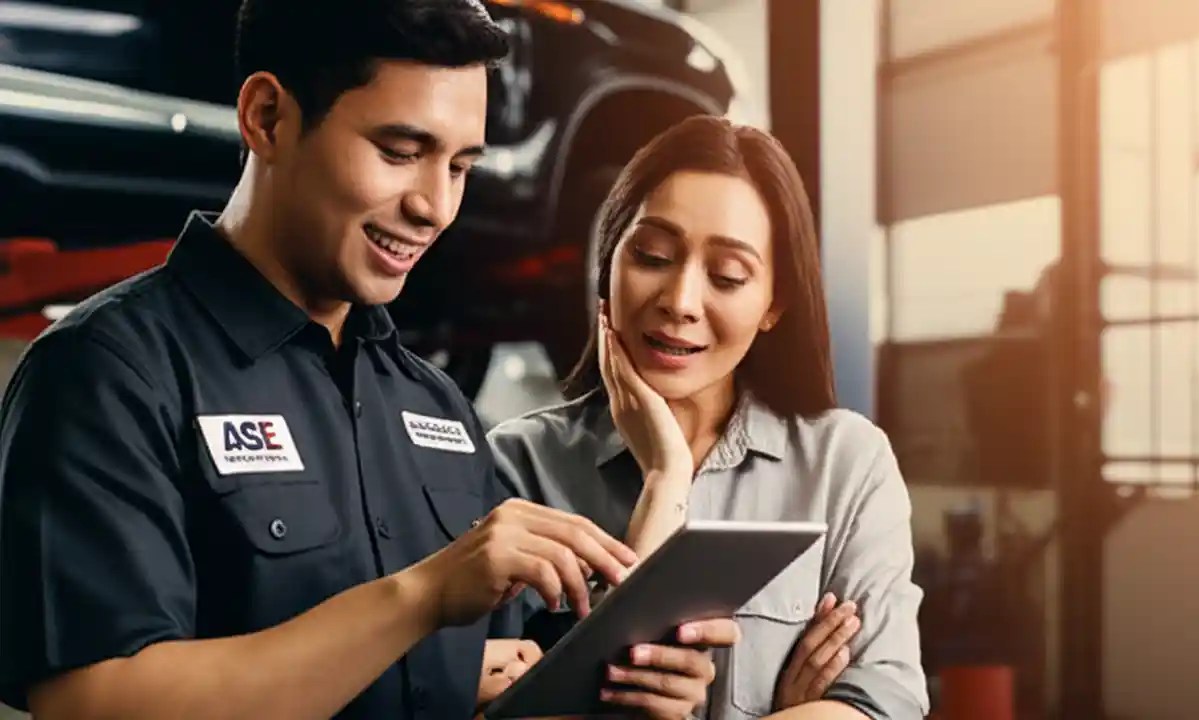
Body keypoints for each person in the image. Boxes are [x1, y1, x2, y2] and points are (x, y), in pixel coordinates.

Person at [0, 2, 739, 718]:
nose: (435, 206)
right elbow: (94, 703)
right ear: (267, 117)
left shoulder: (435, 406)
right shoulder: (106, 374)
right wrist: (420, 598)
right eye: (401, 152)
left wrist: (634, 686)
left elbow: (515, 678)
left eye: (460, 166)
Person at [487, 115, 930, 720]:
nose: (680, 302)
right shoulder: (517, 465)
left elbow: (886, 703)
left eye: (727, 276)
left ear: (774, 304)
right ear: (609, 261)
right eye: (652, 256)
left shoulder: (844, 464)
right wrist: (665, 480)